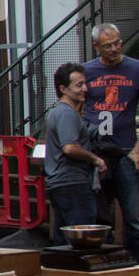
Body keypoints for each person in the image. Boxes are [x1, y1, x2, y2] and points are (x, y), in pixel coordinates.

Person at [83, 23, 139, 264]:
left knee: (134, 218)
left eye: (117, 43)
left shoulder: (137, 68)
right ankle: (108, 272)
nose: (114, 48)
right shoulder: (87, 72)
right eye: (107, 46)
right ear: (96, 47)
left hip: (126, 151)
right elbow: (77, 108)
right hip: (99, 152)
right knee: (100, 218)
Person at [45, 62, 107, 247]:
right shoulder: (67, 114)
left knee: (65, 238)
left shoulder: (58, 112)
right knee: (81, 237)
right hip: (72, 182)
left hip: (61, 183)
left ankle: (62, 273)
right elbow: (70, 147)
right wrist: (95, 159)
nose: (85, 89)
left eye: (84, 83)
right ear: (63, 89)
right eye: (79, 85)